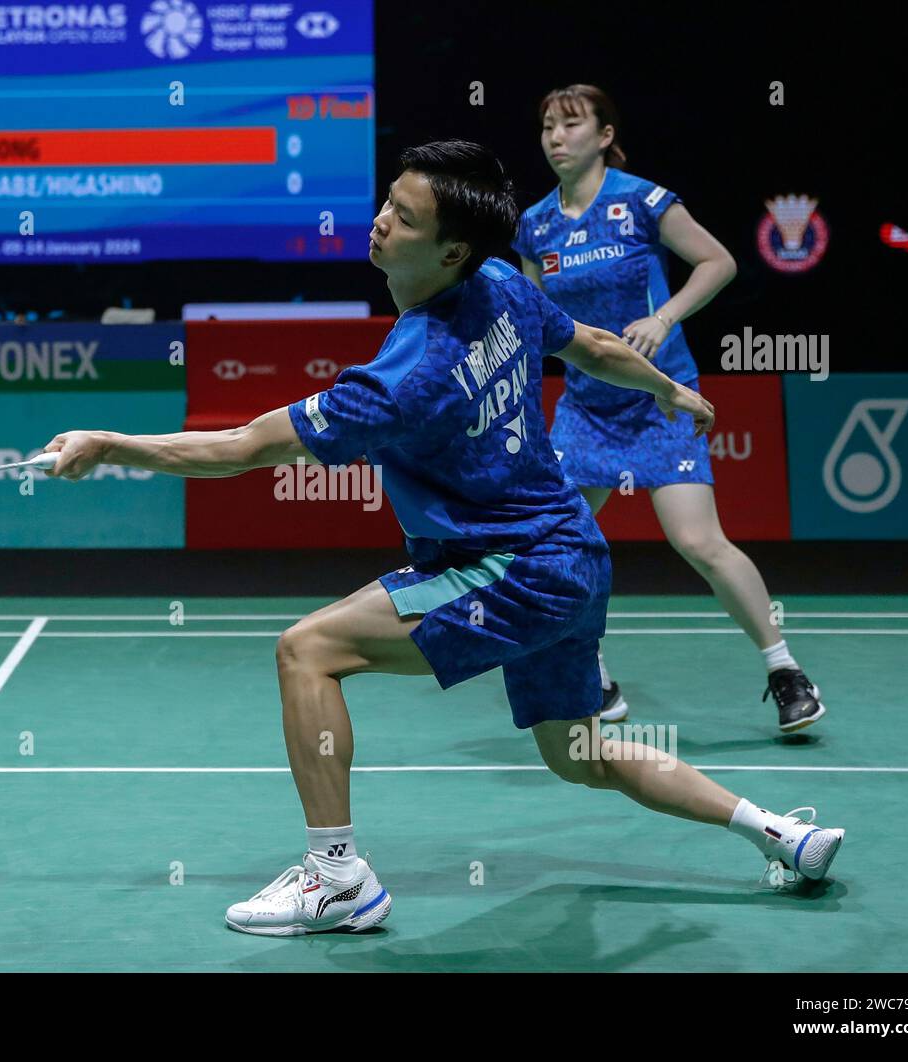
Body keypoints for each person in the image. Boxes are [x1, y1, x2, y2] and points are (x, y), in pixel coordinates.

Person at [43, 140, 844, 937]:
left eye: (404, 216)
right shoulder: (502, 284)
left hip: (512, 570)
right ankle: (782, 834)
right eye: (388, 201)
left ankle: (336, 877)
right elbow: (593, 345)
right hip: (573, 554)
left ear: (452, 247)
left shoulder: (405, 377)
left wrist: (112, 445)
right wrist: (669, 386)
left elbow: (244, 447)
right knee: (583, 756)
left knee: (307, 651)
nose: (381, 222)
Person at [514, 84, 826, 733]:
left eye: (571, 124)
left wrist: (664, 316)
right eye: (547, 125)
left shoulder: (642, 200)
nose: (555, 136)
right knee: (558, 541)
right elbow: (534, 318)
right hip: (585, 407)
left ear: (603, 136)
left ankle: (786, 670)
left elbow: (719, 262)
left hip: (661, 397)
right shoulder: (535, 225)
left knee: (697, 541)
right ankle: (590, 675)